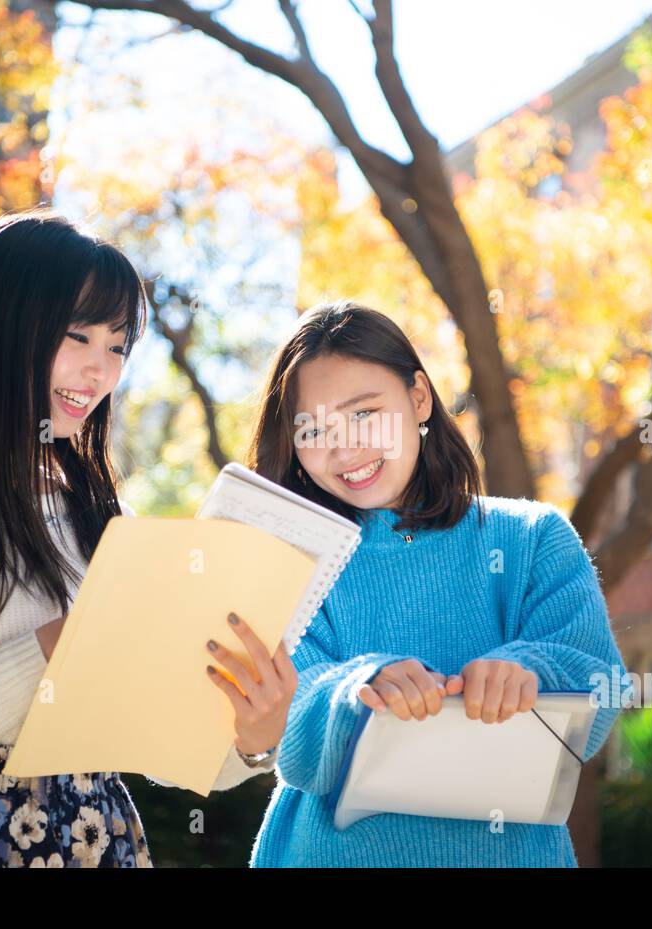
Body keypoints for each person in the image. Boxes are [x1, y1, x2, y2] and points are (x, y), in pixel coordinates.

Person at [0, 209, 296, 867]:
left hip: (98, 841)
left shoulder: (107, 517)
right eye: (79, 336)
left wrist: (252, 737)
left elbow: (159, 741)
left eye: (119, 346)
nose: (100, 371)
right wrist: (53, 645)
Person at [244, 300, 626, 867]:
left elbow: (600, 684)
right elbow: (287, 727)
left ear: (418, 397)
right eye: (314, 428)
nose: (345, 448)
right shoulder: (291, 558)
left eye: (364, 413)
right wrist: (360, 687)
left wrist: (528, 672)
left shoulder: (532, 538)